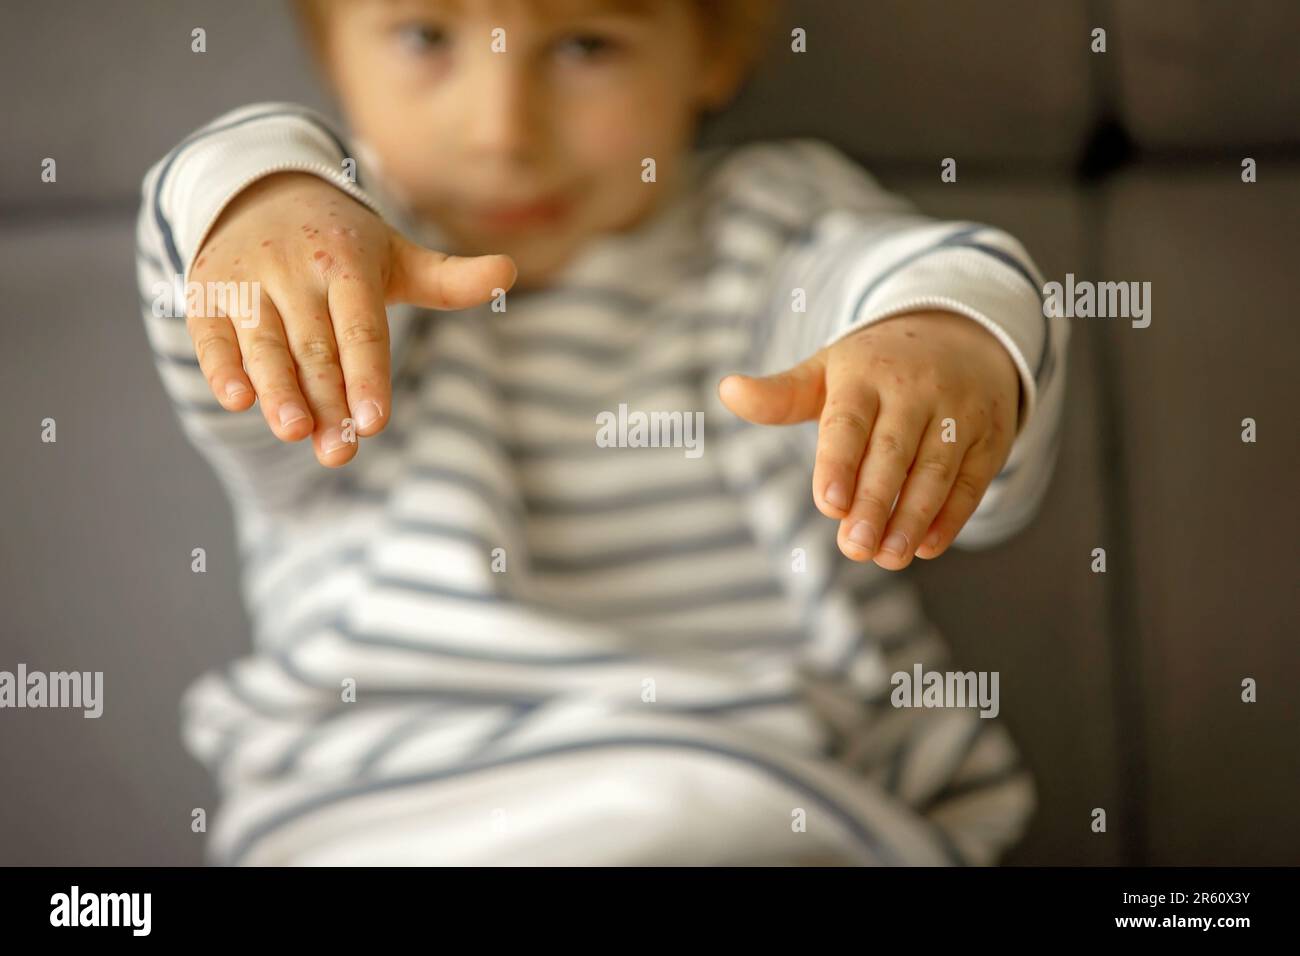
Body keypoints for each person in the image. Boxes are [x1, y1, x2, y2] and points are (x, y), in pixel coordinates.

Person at [135, 0, 1067, 865]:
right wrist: (260, 203)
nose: (502, 132)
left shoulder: (770, 223)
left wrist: (943, 340)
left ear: (712, 52)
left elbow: (926, 321)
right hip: (368, 810)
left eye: (586, 45)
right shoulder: (336, 276)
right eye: (425, 37)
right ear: (329, 46)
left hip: (759, 799)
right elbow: (211, 235)